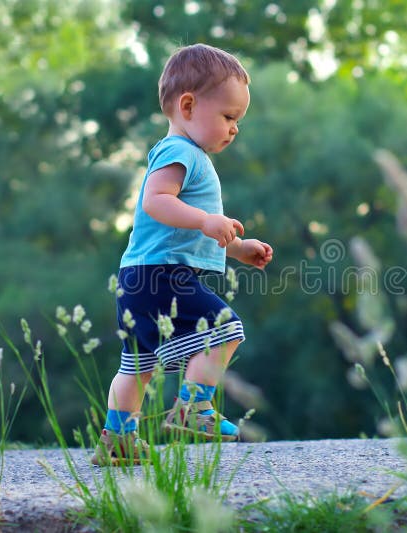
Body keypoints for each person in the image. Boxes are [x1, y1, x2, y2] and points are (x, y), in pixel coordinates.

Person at [92, 44, 273, 466]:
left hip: (140, 278)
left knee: (136, 366)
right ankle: (194, 408)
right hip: (161, 277)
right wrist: (206, 221)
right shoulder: (179, 152)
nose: (234, 129)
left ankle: (118, 437)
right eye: (228, 117)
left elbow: (188, 231)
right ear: (188, 105)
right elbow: (157, 202)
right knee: (225, 329)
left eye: (238, 121)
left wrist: (238, 247)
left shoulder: (190, 156)